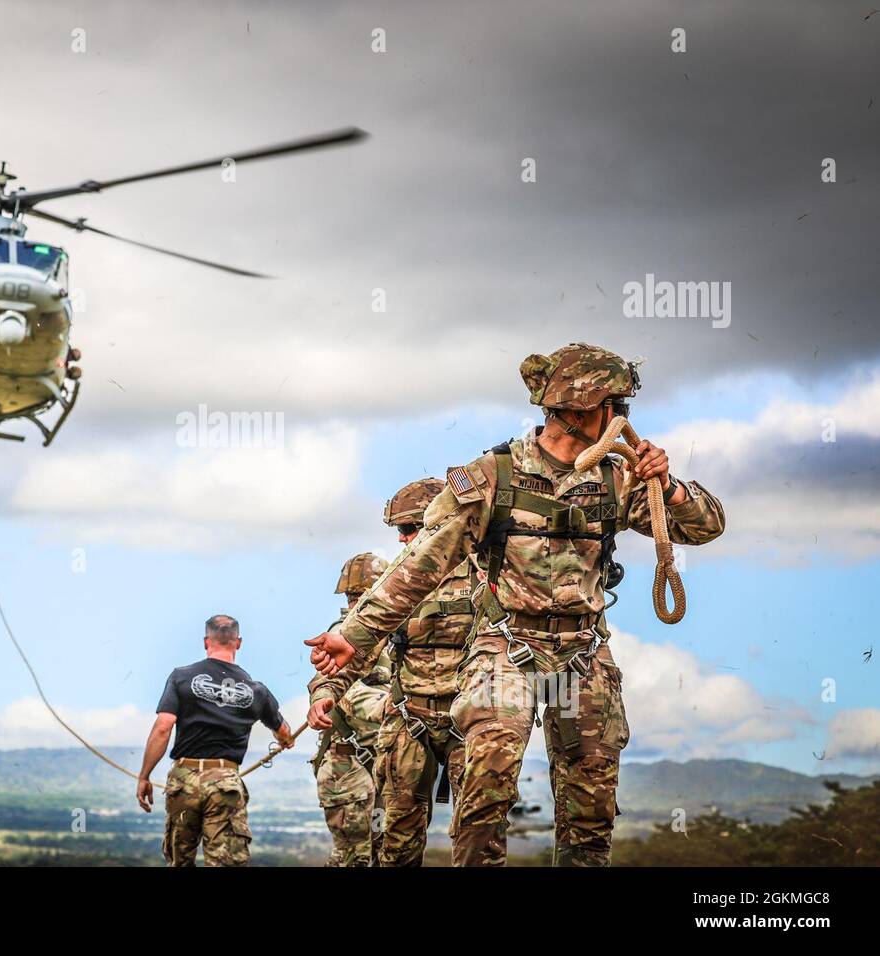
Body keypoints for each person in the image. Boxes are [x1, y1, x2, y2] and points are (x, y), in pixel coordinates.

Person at [308, 343, 725, 866]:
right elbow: (422, 564)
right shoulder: (493, 477)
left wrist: (671, 487)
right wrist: (354, 635)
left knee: (592, 803)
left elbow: (704, 528)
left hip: (583, 650)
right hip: (506, 646)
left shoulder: (619, 479)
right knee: (487, 779)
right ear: (579, 407)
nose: (622, 419)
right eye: (614, 406)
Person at [309, 478, 476, 866]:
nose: (402, 540)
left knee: (478, 834)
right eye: (398, 531)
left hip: (468, 724)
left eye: (408, 529)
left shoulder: (488, 580)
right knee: (396, 841)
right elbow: (352, 651)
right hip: (409, 723)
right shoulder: (394, 589)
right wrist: (324, 691)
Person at [137, 614, 292, 866]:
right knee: (225, 861)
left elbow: (163, 727)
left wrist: (145, 775)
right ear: (238, 643)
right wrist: (284, 740)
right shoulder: (256, 690)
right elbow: (283, 730)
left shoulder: (181, 677)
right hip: (224, 782)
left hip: (183, 780)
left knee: (179, 861)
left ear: (206, 641)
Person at [308, 552, 391, 866]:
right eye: (352, 596)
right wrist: (393, 708)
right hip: (348, 765)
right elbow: (344, 693)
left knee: (390, 855)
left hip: (387, 764)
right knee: (353, 858)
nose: (356, 602)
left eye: (362, 594)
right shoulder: (340, 636)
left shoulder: (398, 634)